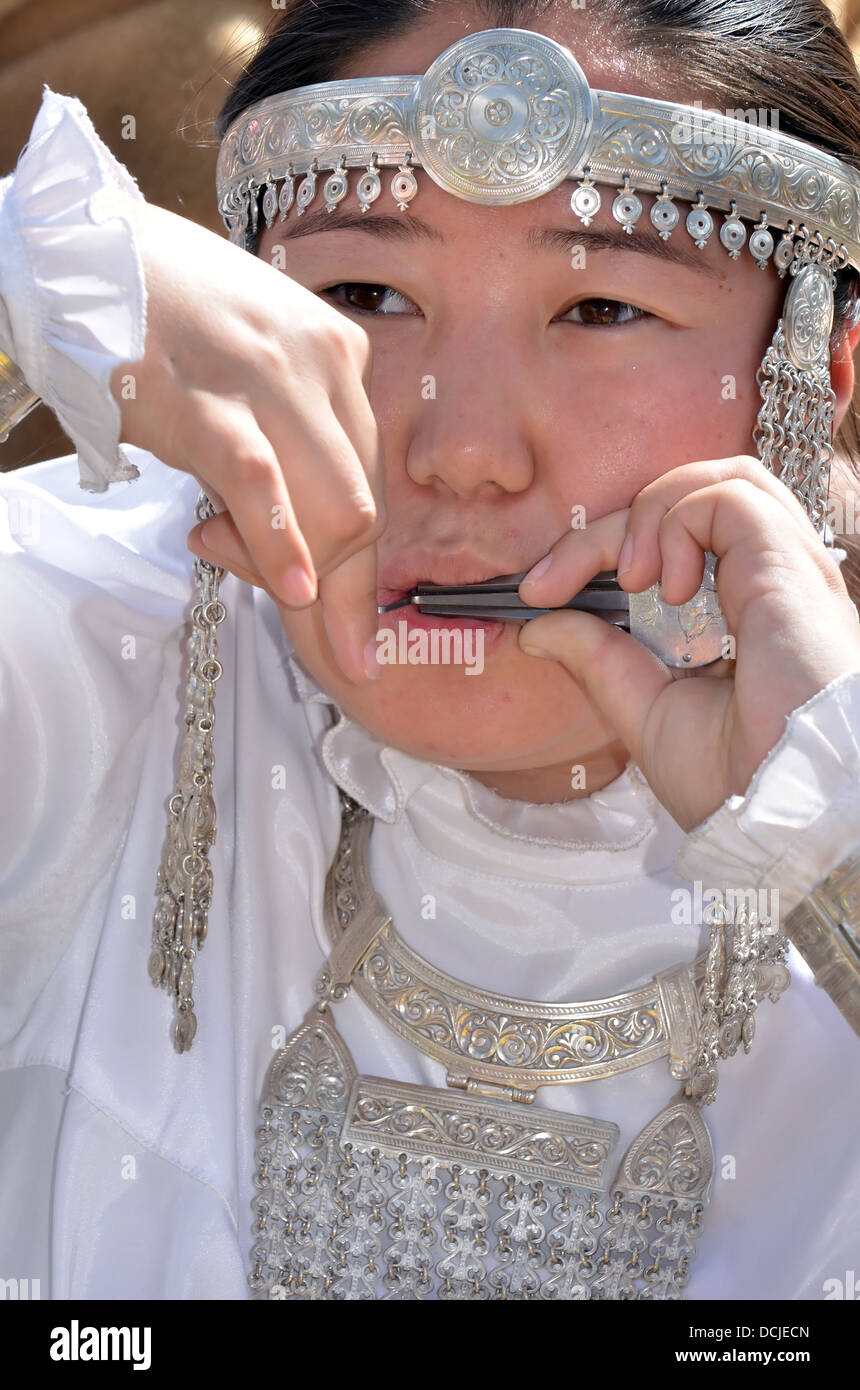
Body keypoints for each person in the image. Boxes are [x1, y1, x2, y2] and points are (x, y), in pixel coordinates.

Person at [1, 0, 859, 1301]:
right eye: (363, 294)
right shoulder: (76, 638)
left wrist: (828, 835)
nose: (459, 451)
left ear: (817, 368)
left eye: (602, 309)